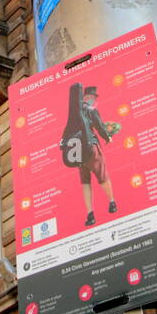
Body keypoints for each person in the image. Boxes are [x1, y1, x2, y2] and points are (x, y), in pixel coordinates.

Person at [61, 83, 121, 226]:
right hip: (92, 148)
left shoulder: (74, 110)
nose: (94, 100)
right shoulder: (92, 110)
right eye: (93, 97)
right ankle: (112, 203)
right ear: (88, 97)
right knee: (103, 176)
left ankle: (90, 214)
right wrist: (108, 137)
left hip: (79, 152)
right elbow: (100, 126)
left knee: (85, 182)